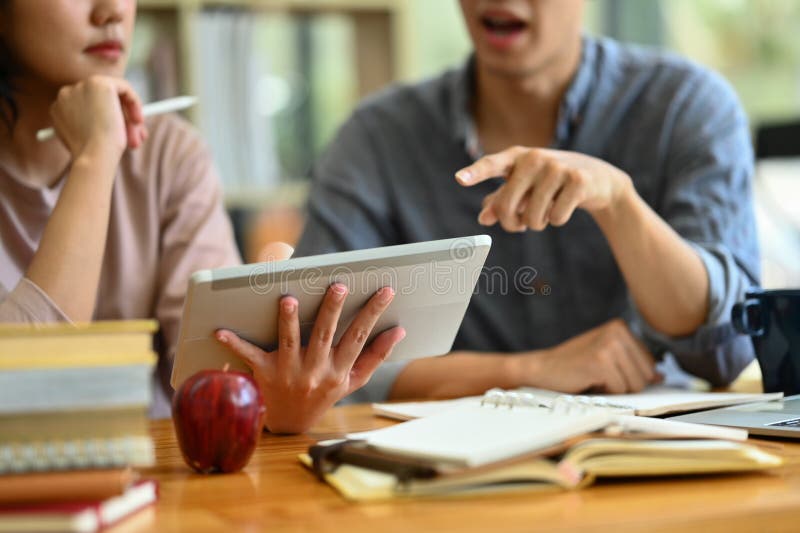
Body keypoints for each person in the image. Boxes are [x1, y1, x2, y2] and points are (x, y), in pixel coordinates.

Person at [294, 0, 760, 401]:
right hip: (449, 469)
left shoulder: (685, 106)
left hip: (648, 457)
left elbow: (729, 348)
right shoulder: (377, 137)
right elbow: (314, 359)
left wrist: (618, 203)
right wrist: (527, 373)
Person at [0, 0, 405, 433]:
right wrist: (96, 157)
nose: (112, 12)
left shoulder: (169, 154)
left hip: (154, 482)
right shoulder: (120, 154)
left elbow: (218, 376)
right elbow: (19, 389)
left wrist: (279, 395)